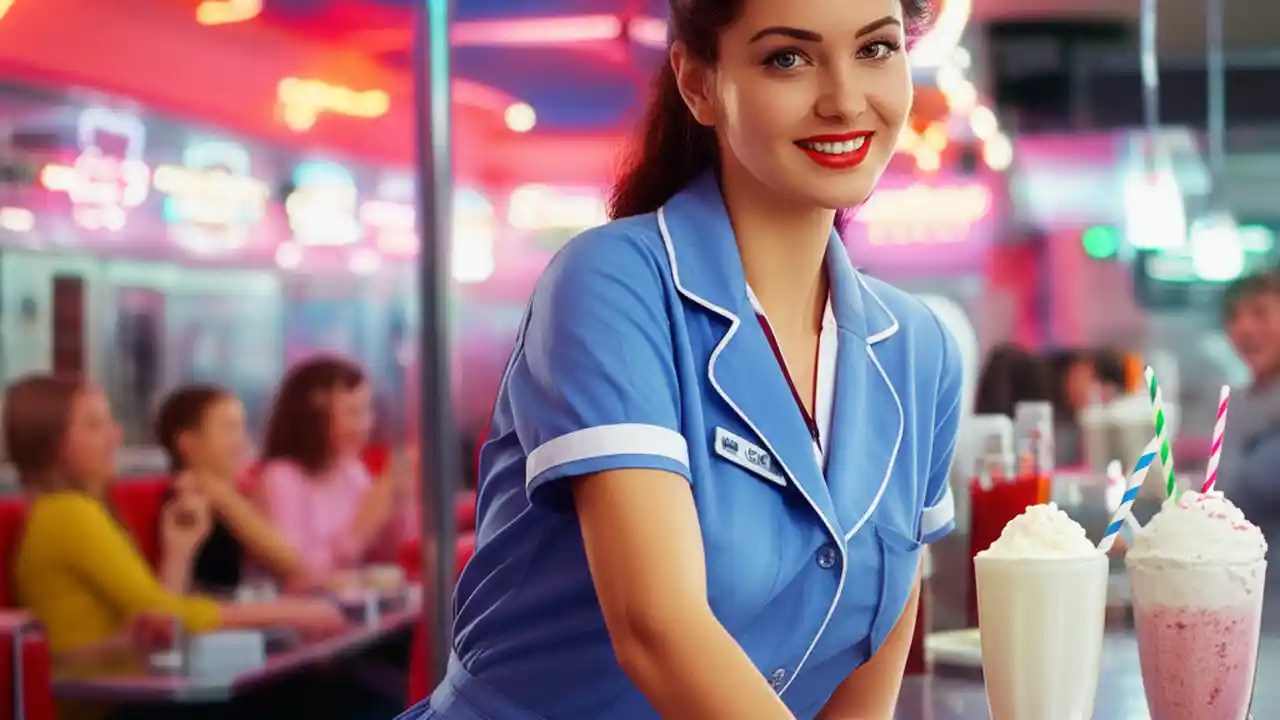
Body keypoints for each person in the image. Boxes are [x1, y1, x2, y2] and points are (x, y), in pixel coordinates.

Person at [401, 0, 960, 717]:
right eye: (787, 57)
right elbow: (658, 628)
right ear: (698, 83)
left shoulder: (919, 349)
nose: (845, 99)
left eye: (876, 50)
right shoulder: (612, 284)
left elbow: (871, 653)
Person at [7, 376, 345, 662]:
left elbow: (155, 622)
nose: (116, 435)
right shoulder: (67, 513)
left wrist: (179, 549)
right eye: (95, 425)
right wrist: (295, 612)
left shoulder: (67, 510)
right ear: (51, 442)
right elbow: (165, 614)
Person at [256, 357, 416, 589]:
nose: (364, 425)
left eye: (366, 410)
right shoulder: (280, 479)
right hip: (295, 616)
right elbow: (299, 574)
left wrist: (400, 501)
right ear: (313, 418)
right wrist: (366, 521)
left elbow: (393, 555)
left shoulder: (352, 472)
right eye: (352, 413)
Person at [153, 385, 303, 594]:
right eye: (228, 428)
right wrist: (221, 495)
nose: (241, 440)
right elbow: (290, 562)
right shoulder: (186, 501)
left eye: (241, 427)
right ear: (189, 444)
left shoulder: (230, 493)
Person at [1215, 272, 1280, 608]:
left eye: (1260, 312)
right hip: (1240, 601)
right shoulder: (1239, 402)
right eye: (1233, 317)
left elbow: (1246, 491)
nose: (1244, 328)